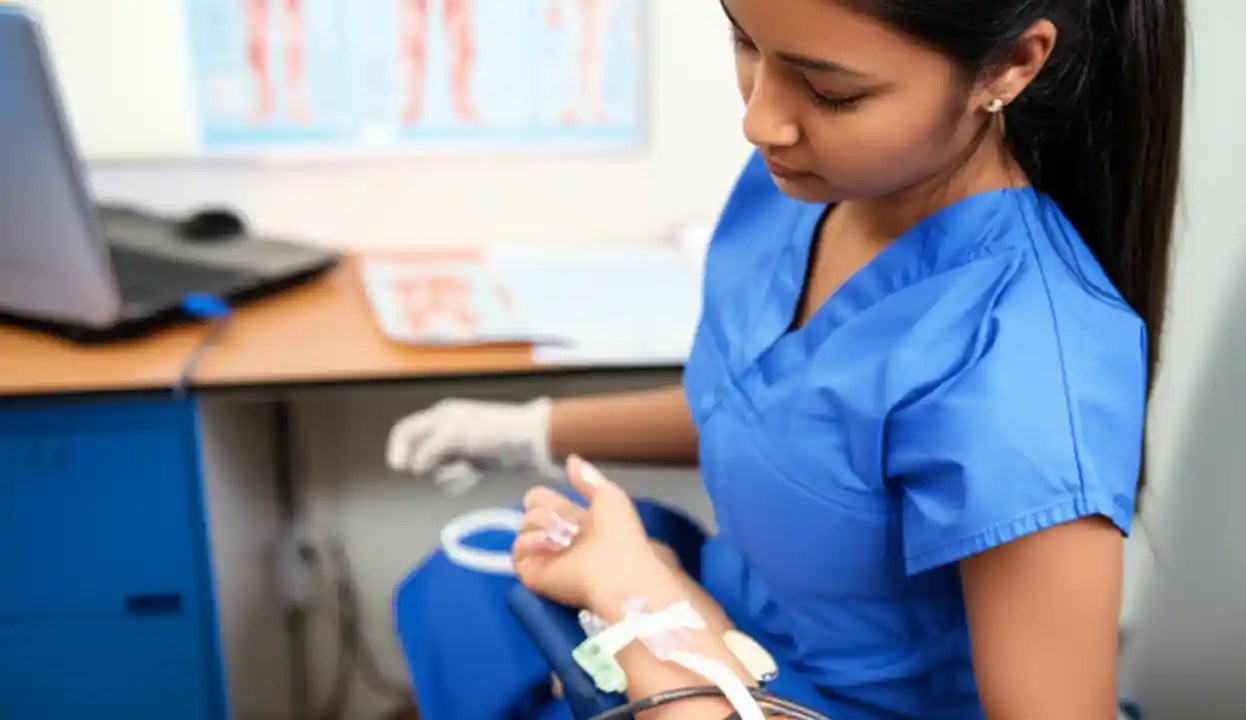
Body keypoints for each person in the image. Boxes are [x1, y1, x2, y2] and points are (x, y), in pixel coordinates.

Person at [386, 0, 1186, 717]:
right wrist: (532, 428)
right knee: (455, 598)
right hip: (730, 622)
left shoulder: (1026, 367)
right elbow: (782, 415)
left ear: (1012, 66)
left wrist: (650, 615)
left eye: (831, 91)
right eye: (746, 42)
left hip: (812, 699)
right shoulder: (805, 182)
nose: (761, 121)